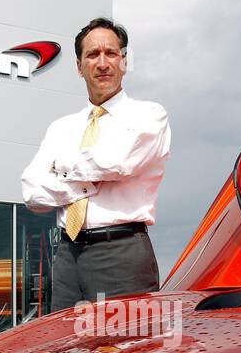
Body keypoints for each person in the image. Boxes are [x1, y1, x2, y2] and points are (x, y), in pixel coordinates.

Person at [20, 17, 170, 312]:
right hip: (67, 255)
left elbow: (118, 162)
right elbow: (32, 193)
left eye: (111, 53)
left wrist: (59, 168)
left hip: (122, 254)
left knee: (124, 352)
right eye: (92, 55)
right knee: (64, 351)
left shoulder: (149, 116)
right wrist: (90, 181)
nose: (103, 63)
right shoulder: (61, 128)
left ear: (124, 61)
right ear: (79, 67)